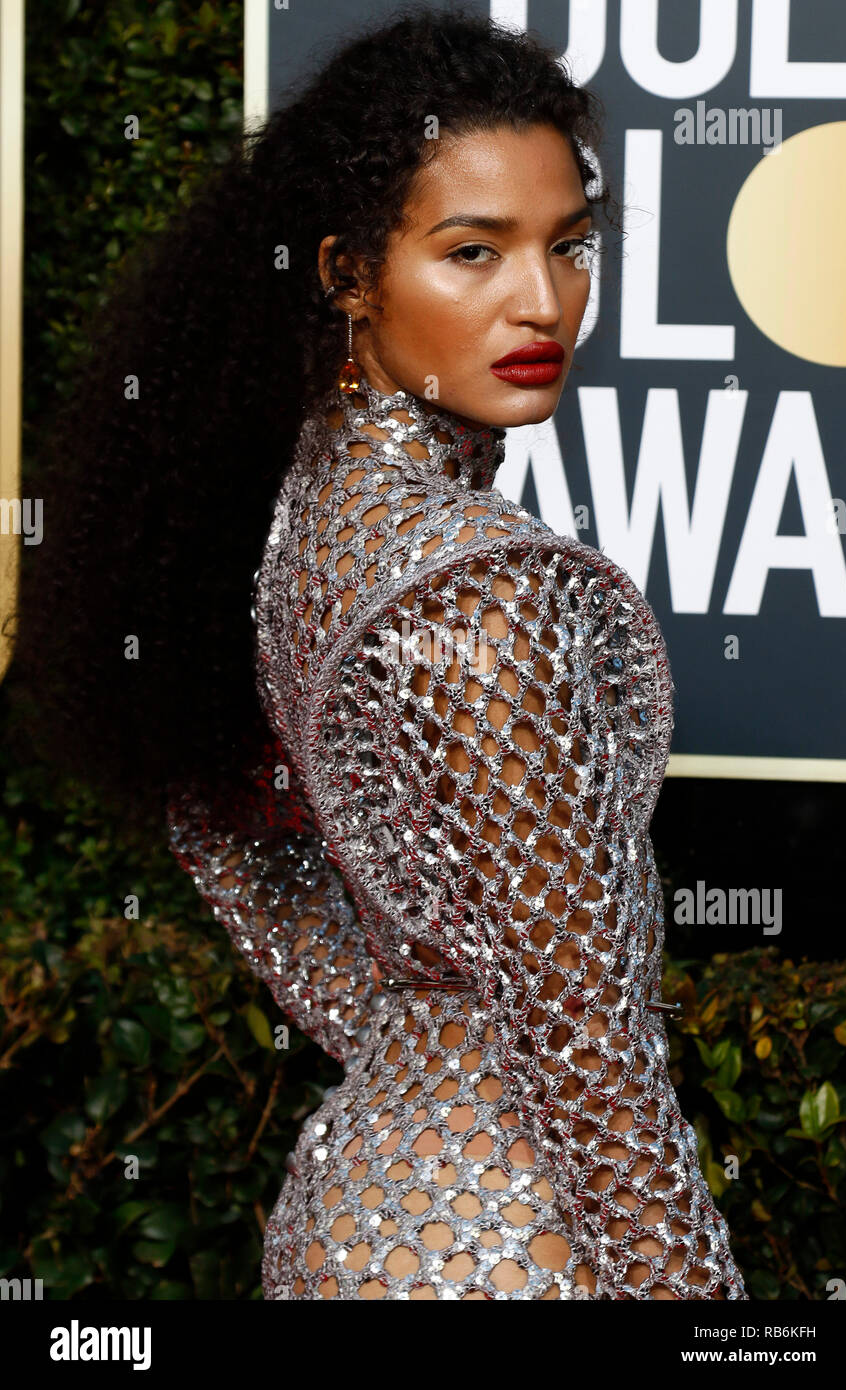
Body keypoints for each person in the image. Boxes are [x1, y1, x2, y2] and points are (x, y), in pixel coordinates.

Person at [11, 5, 747, 1300]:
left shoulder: (287, 523)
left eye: (568, 246)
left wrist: (421, 1033)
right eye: (473, 251)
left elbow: (225, 836)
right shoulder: (482, 593)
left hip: (357, 1205)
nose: (541, 301)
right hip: (509, 1244)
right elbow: (589, 1050)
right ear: (347, 272)